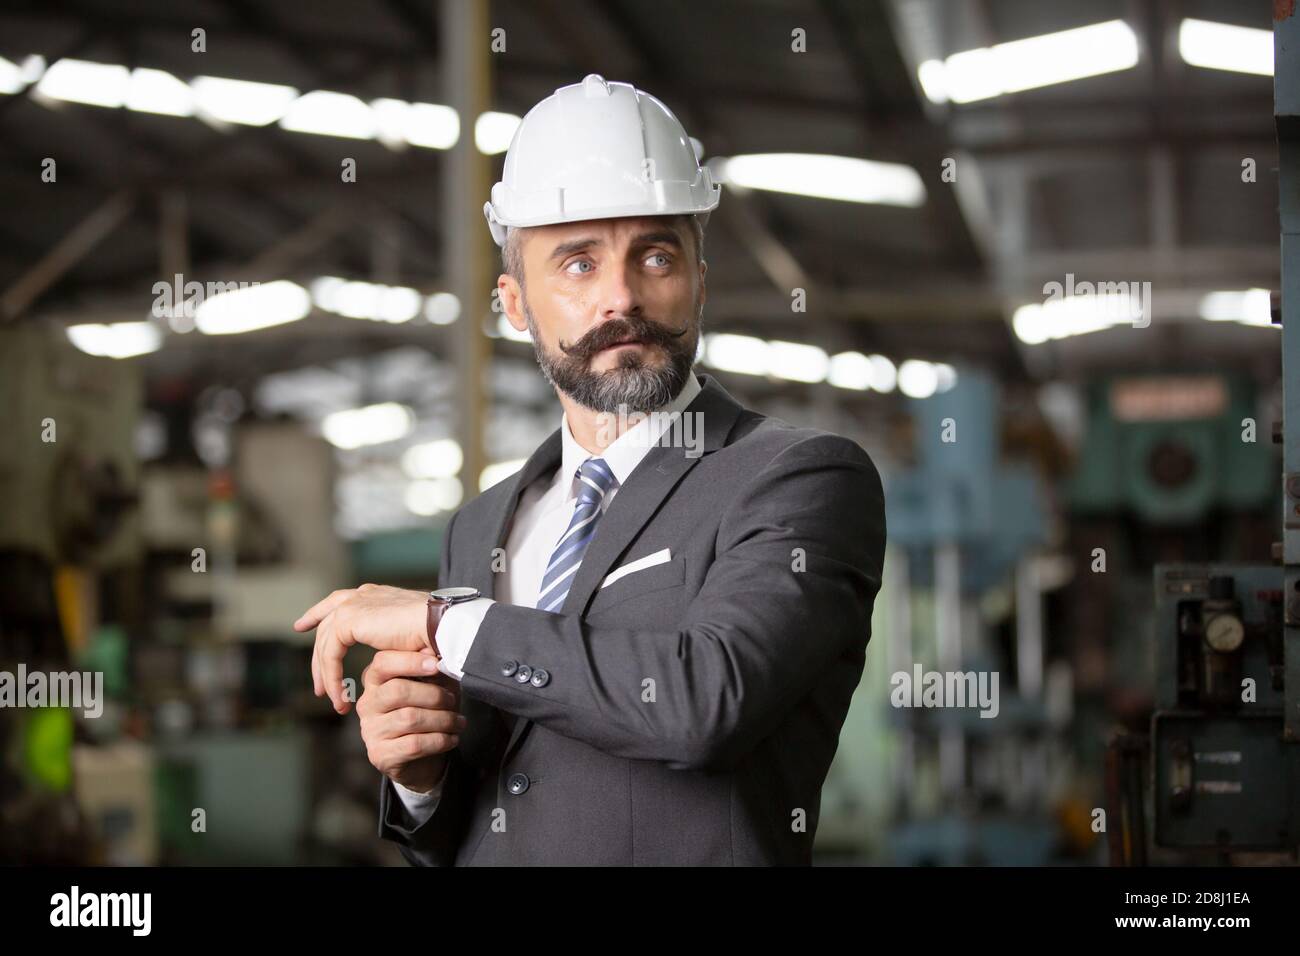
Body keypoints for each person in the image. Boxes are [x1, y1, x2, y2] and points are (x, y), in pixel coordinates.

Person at [294, 74, 885, 865]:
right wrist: (421, 777)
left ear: (699, 280)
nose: (621, 297)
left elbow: (706, 704)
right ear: (515, 304)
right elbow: (487, 808)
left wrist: (442, 625)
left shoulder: (799, 480)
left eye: (656, 255)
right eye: (577, 264)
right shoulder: (480, 526)